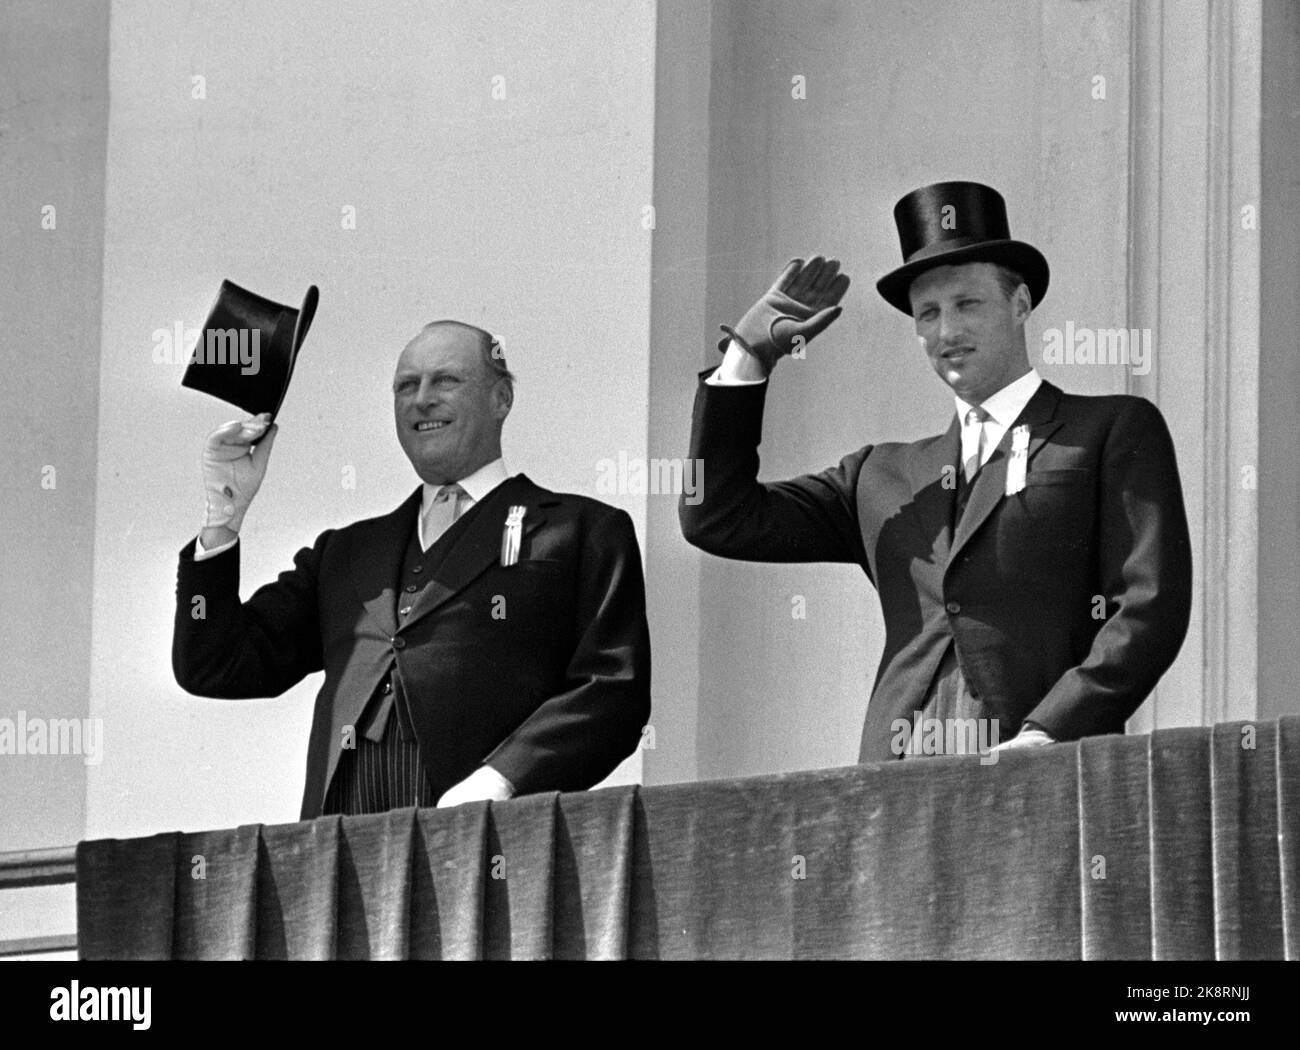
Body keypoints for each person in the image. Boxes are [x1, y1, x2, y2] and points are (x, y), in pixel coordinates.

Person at [680, 181, 1192, 761]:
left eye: (967, 304)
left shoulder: (1109, 430)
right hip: (895, 782)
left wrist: (1051, 730)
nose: (946, 332)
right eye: (928, 313)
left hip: (1045, 766)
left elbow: (1149, 605)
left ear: (1020, 303)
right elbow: (716, 518)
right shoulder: (882, 475)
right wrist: (745, 360)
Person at [173, 319, 651, 818]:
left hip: (490, 840)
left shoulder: (581, 530)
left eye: (446, 380)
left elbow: (613, 690)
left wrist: (501, 780)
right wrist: (223, 519)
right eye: (406, 385)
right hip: (344, 841)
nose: (422, 399)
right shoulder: (348, 551)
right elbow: (216, 665)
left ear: (501, 399)